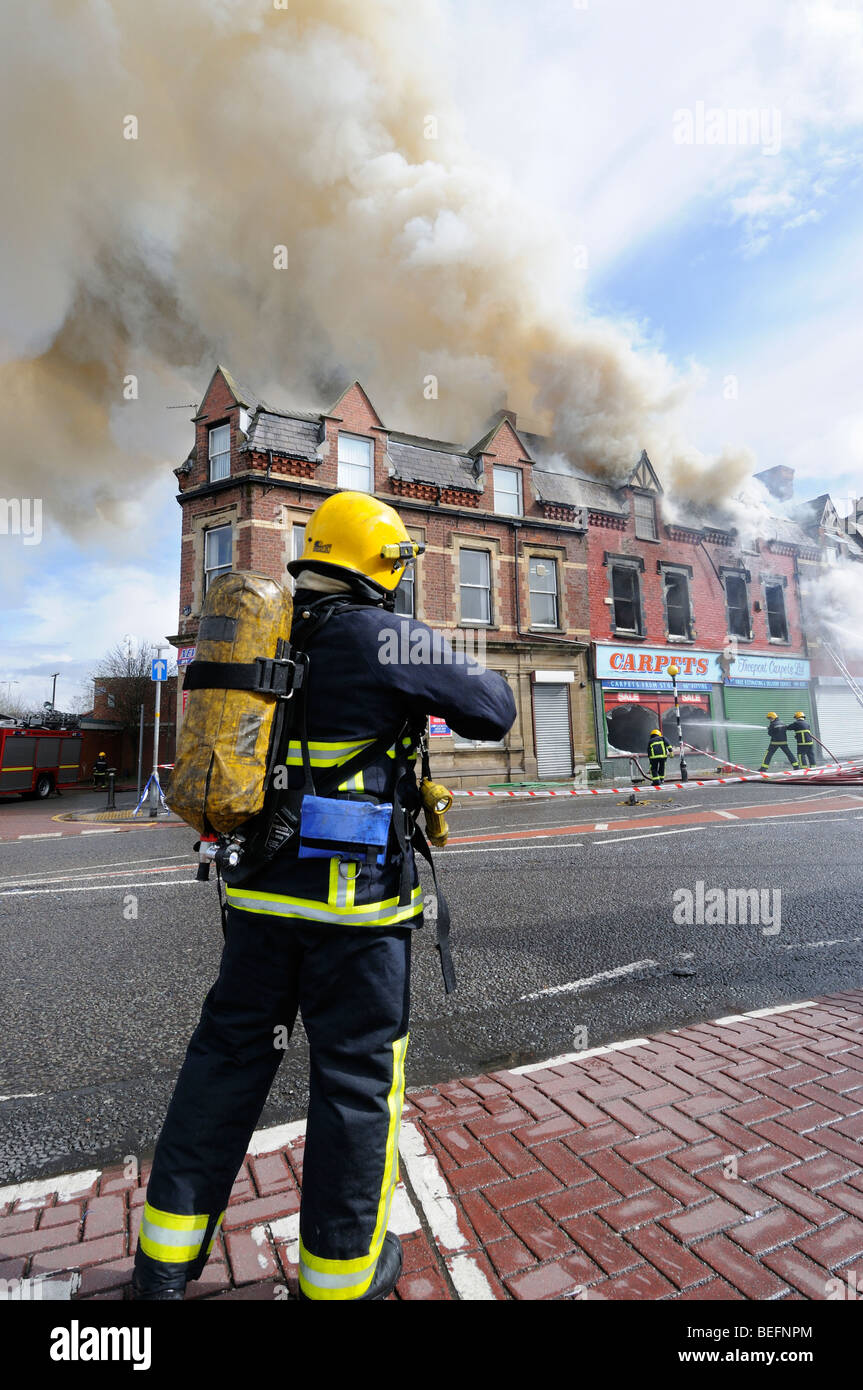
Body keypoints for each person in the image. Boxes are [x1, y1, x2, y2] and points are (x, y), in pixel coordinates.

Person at [132, 492, 516, 1302]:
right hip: (356, 917)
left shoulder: (268, 630)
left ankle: (162, 1266)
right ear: (381, 566)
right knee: (353, 1083)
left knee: (223, 1064)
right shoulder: (385, 634)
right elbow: (492, 709)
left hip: (257, 903)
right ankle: (343, 1280)